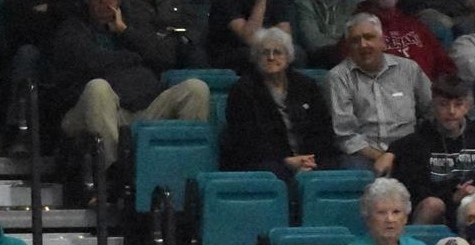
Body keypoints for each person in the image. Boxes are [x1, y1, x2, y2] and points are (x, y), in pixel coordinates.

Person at [51, 0, 212, 162]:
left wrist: (125, 32)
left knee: (196, 89)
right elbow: (90, 62)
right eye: (99, 0)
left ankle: (187, 168)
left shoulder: (133, 23)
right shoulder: (72, 29)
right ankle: (112, 170)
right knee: (98, 88)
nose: (105, 4)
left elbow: (164, 57)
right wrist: (132, 57)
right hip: (90, 110)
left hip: (143, 106)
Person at [222, 27, 339, 176]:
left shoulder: (307, 86)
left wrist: (309, 159)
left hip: (309, 159)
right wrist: (287, 162)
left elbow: (323, 130)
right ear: (256, 57)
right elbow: (245, 141)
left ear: (288, 56)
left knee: (334, 167)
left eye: (277, 52)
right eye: (265, 53)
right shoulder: (242, 90)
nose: (271, 57)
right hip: (265, 162)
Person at [331, 13, 432, 175]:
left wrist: (396, 154)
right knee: (354, 172)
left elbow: (432, 111)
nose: (363, 45)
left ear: (382, 41)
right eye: (355, 41)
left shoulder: (409, 69)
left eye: (369, 37)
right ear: (349, 47)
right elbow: (345, 135)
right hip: (364, 155)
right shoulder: (338, 77)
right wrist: (382, 157)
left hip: (408, 151)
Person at [392, 74, 475, 226]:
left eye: (458, 104)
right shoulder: (416, 142)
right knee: (432, 205)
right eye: (444, 104)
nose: (451, 111)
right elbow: (414, 191)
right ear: (433, 105)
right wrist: (453, 196)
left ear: (467, 106)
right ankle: (416, 242)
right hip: (439, 210)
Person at [208, 0, 294, 70]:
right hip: (231, 51)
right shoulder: (226, 2)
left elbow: (285, 36)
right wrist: (261, 2)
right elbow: (250, 38)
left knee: (294, 54)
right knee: (254, 56)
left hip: (265, 46)